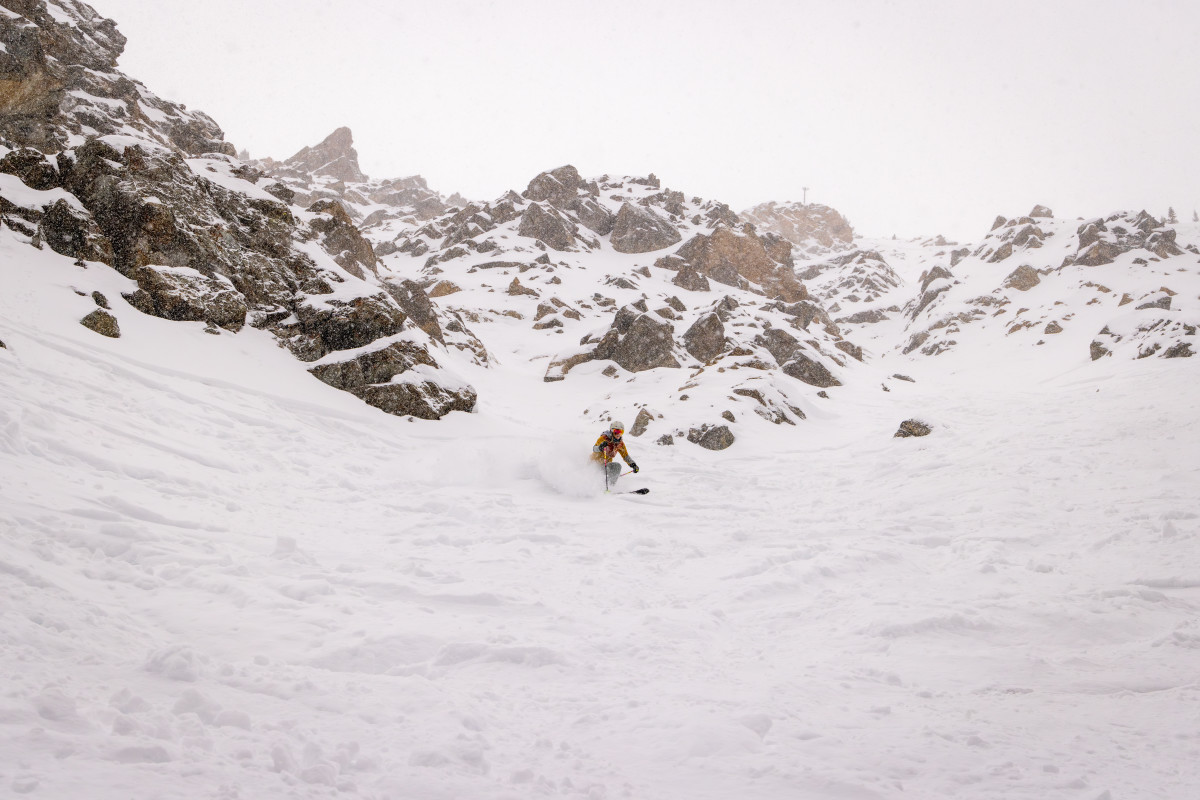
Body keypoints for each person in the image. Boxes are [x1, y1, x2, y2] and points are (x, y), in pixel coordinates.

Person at [592, 420, 638, 487]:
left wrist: (633, 464)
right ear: (611, 431)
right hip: (595, 465)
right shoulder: (604, 438)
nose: (618, 434)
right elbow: (594, 449)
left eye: (621, 432)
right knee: (616, 466)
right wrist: (600, 447)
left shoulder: (620, 443)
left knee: (616, 467)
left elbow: (625, 456)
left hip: (606, 466)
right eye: (616, 431)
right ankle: (607, 486)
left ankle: (610, 486)